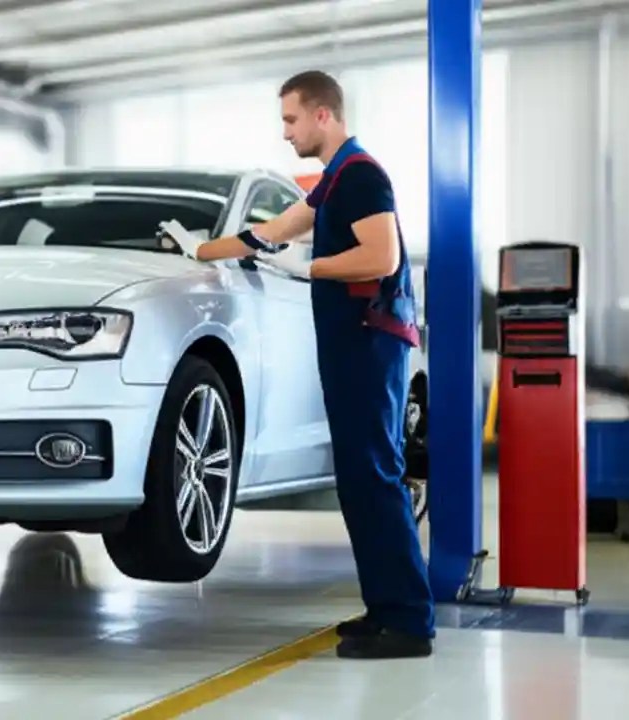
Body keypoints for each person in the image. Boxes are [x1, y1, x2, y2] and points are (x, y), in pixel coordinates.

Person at [165, 70, 435, 659]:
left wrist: (307, 267)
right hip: (352, 346)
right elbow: (273, 232)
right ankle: (386, 608)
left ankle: (410, 622)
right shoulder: (334, 182)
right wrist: (198, 248)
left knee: (375, 478)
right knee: (360, 483)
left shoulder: (361, 177)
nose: (283, 131)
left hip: (369, 341)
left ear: (323, 116)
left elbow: (382, 256)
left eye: (290, 119)